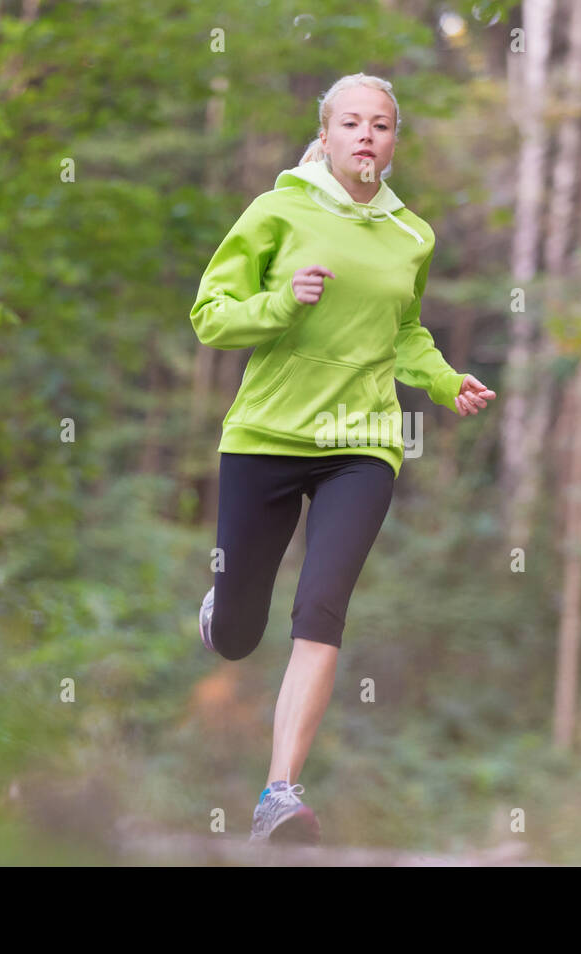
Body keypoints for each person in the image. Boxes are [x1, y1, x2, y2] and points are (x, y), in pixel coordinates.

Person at [188, 72, 496, 845]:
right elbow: (210, 316)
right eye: (352, 123)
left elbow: (405, 333)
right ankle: (219, 613)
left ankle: (279, 794)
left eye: (382, 125)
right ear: (324, 136)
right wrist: (282, 302)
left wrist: (444, 379)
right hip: (266, 435)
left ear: (393, 143)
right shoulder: (276, 211)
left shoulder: (411, 235)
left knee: (320, 611)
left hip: (361, 446)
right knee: (238, 633)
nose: (366, 136)